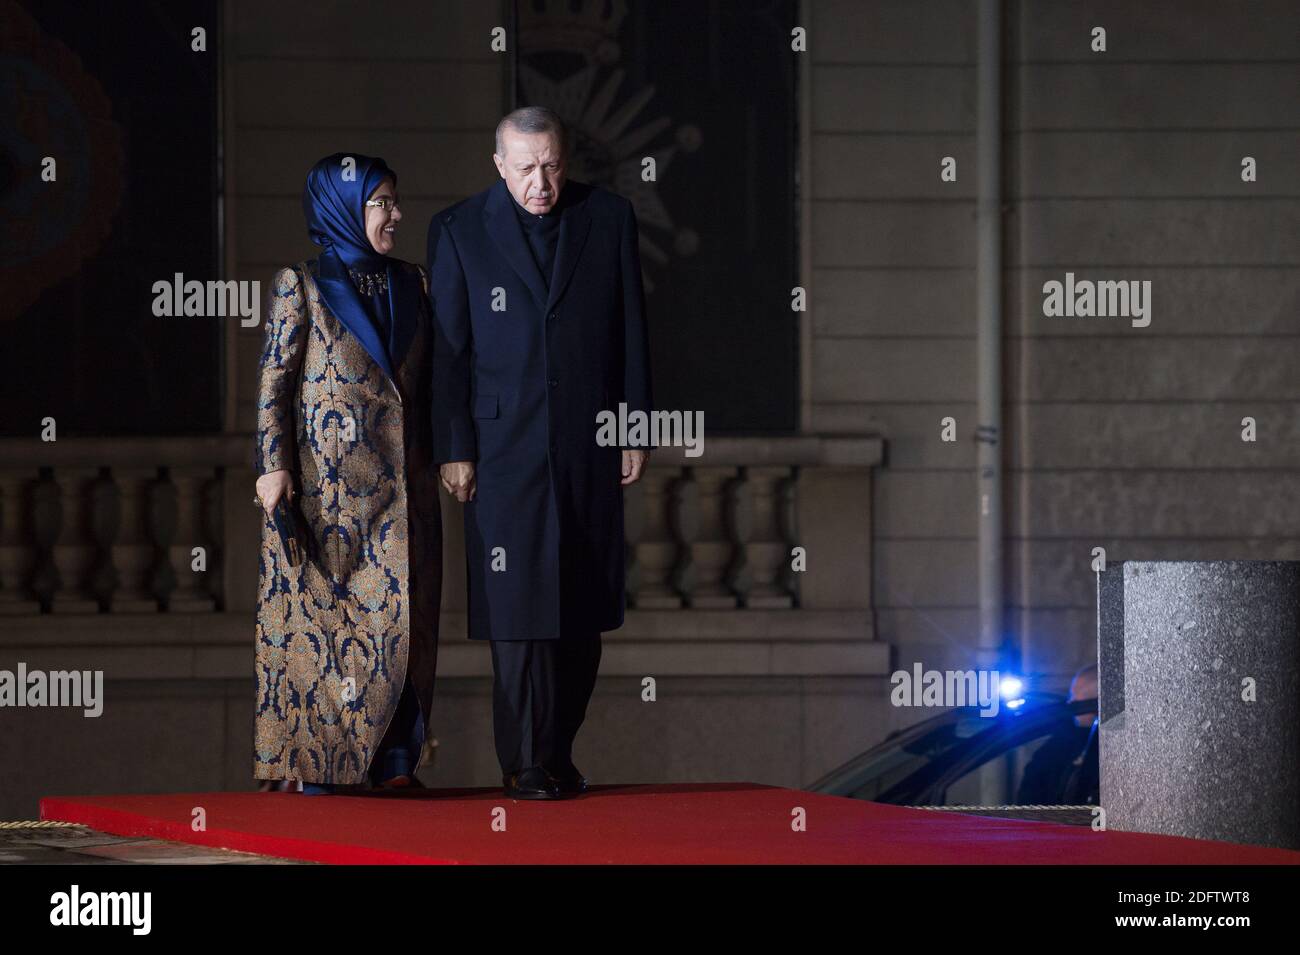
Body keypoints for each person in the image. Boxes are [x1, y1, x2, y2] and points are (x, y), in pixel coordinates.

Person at [428, 107, 652, 799]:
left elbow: (632, 329)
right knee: (518, 607)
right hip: (501, 448)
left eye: (551, 165)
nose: (541, 183)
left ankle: (557, 751)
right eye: (526, 168)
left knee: (582, 609)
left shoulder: (608, 217)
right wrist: (455, 446)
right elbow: (449, 352)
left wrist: (634, 425)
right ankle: (525, 761)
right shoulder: (459, 228)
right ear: (499, 165)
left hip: (589, 440)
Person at [253, 153, 442, 795]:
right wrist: (273, 466)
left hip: (406, 490)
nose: (396, 214)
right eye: (381, 203)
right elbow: (275, 383)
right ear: (343, 209)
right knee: (333, 631)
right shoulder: (300, 284)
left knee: (406, 622)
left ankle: (396, 763)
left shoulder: (414, 281)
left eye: (393, 201)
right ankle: (328, 770)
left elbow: (434, 381)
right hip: (329, 494)